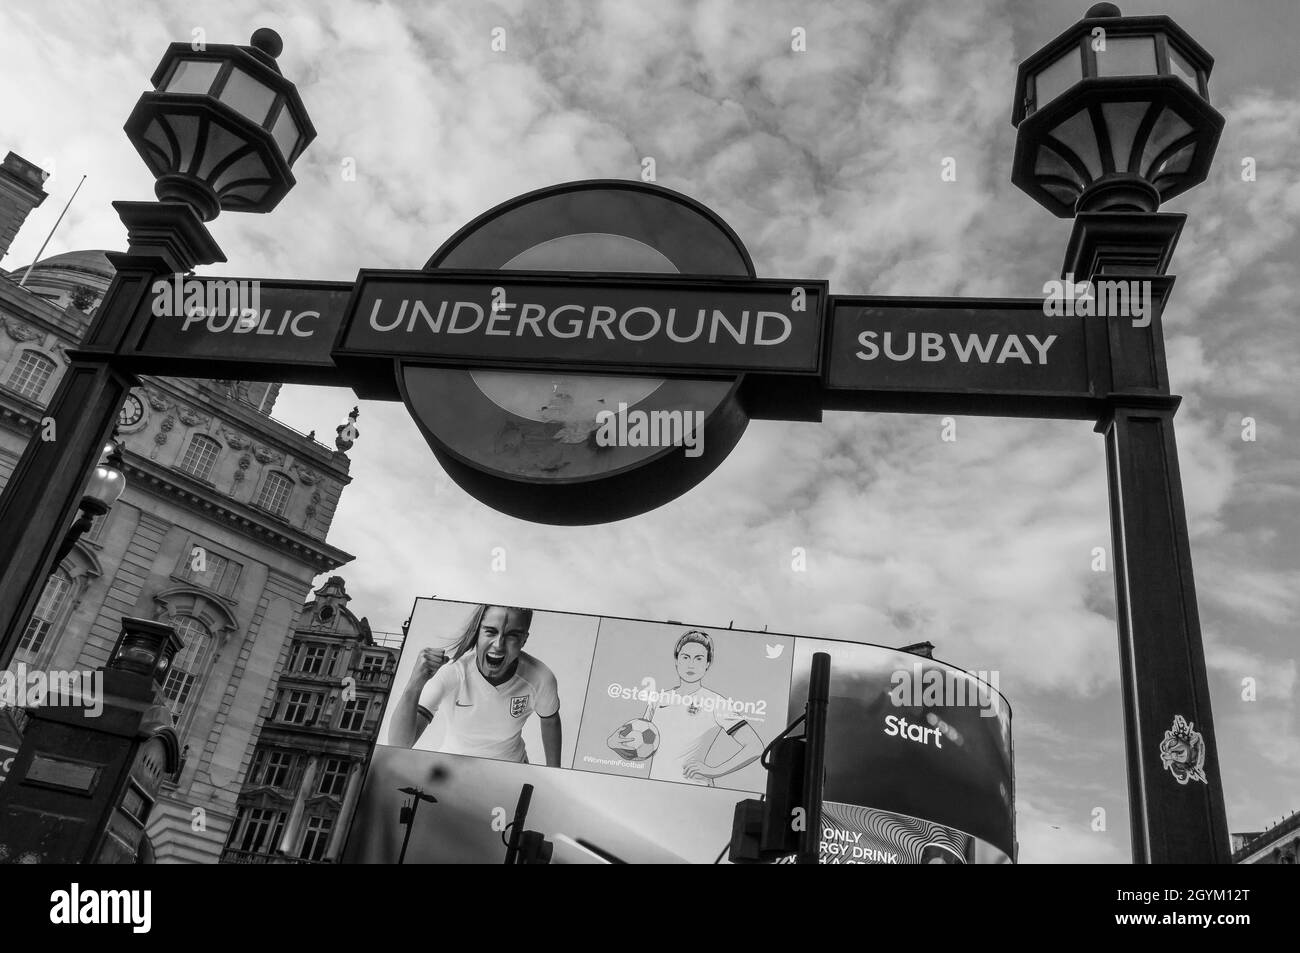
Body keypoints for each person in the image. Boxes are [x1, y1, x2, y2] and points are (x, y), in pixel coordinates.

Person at [389, 604, 562, 766]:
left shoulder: (541, 677)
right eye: (490, 632)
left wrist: (554, 772)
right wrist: (414, 683)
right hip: (451, 769)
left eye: (513, 635)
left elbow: (550, 719)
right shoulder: (452, 672)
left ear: (524, 640)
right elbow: (399, 745)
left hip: (512, 768)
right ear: (477, 633)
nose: (499, 645)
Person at [609, 630, 764, 786]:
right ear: (677, 661)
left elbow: (755, 747)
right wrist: (613, 743)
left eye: (698, 658)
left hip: (697, 791)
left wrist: (715, 771)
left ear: (707, 664)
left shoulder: (716, 702)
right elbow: (639, 748)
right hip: (655, 788)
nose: (691, 664)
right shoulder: (658, 699)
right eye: (685, 657)